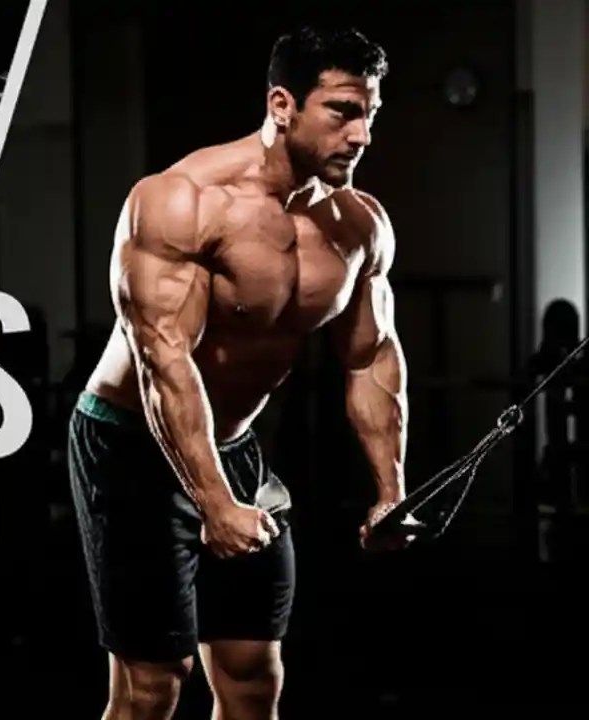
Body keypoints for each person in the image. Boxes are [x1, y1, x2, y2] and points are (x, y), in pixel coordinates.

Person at [67, 26, 417, 719]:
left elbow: (370, 357)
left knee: (254, 674)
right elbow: (160, 359)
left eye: (371, 114)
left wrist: (390, 492)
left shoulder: (359, 227)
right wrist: (215, 503)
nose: (362, 134)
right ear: (282, 105)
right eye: (344, 111)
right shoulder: (181, 201)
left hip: (236, 446)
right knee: (152, 685)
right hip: (132, 444)